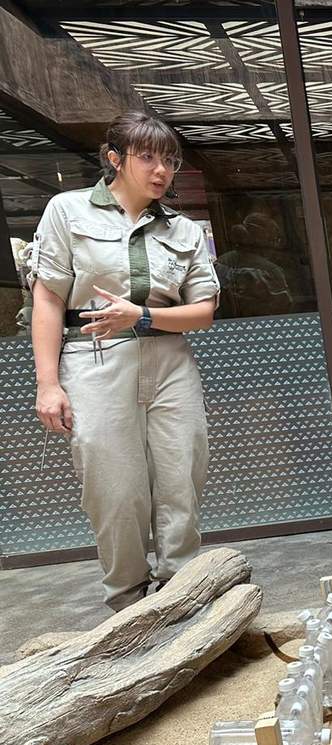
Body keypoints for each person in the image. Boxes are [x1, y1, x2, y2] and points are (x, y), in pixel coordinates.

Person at [27, 111, 220, 610]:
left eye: (170, 160)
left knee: (182, 480)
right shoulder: (67, 211)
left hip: (170, 362)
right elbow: (48, 300)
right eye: (148, 157)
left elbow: (203, 312)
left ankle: (183, 597)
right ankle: (128, 604)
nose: (162, 170)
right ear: (115, 159)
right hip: (93, 360)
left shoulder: (184, 230)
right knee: (114, 490)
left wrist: (142, 315)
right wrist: (48, 384)